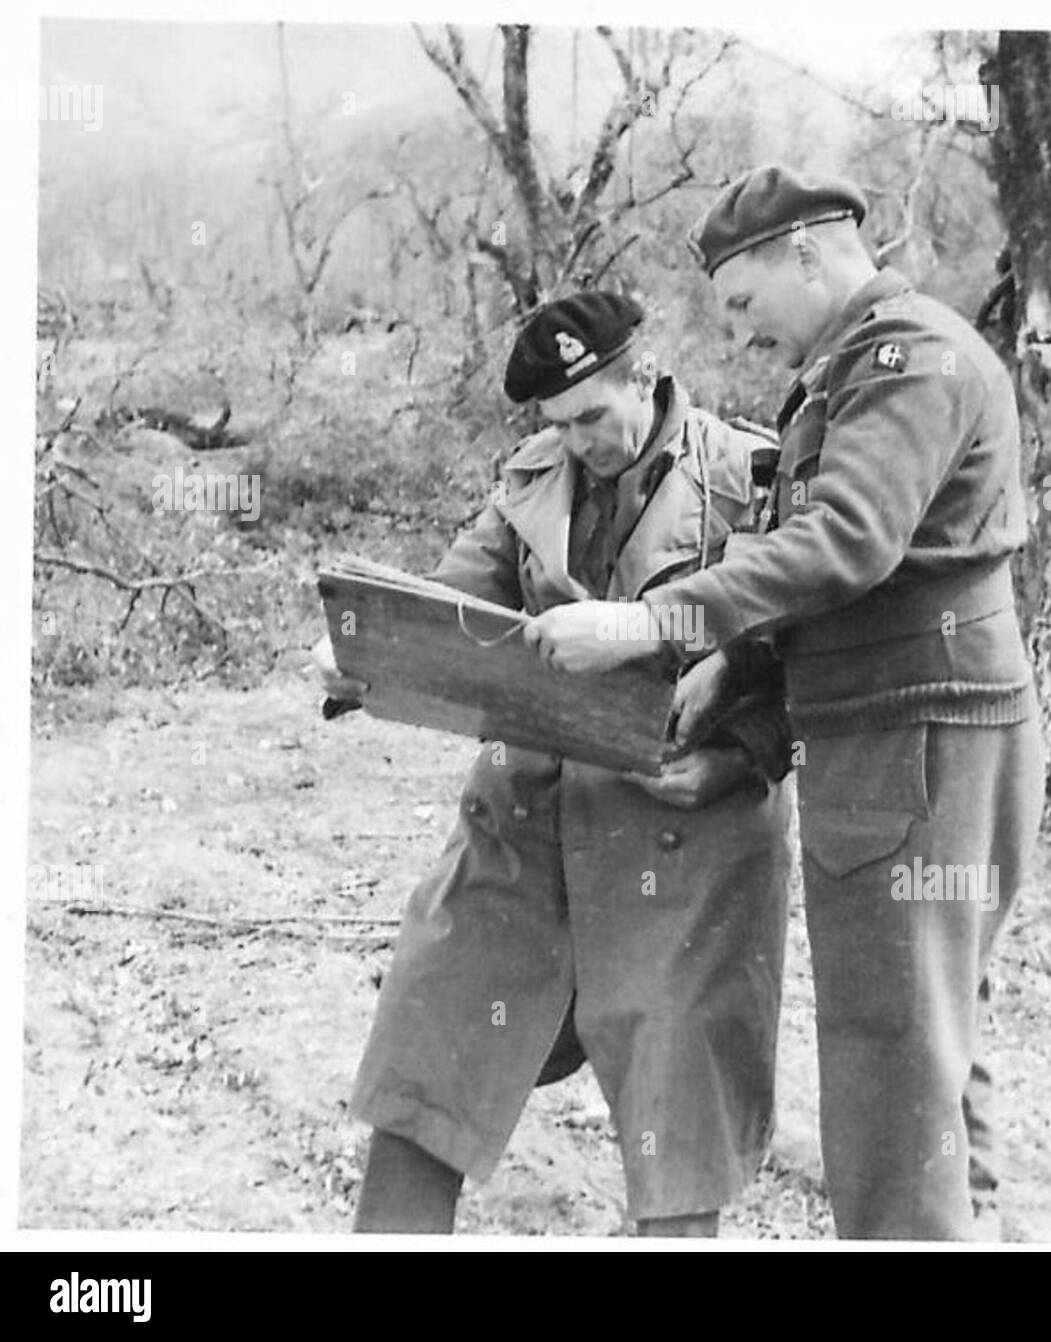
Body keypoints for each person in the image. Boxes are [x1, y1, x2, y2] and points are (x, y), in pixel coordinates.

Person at [528, 165, 1045, 1240]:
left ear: (804, 252)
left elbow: (845, 542)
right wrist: (744, 672)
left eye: (743, 302)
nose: (742, 334)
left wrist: (651, 623)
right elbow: (854, 577)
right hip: (904, 732)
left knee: (889, 1051)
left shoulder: (907, 361)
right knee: (930, 1041)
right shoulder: (851, 371)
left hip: (916, 741)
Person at [314, 291, 795, 1237]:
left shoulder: (748, 478)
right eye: (556, 425)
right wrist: (363, 654)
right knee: (426, 1059)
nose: (576, 443)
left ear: (646, 380)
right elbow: (454, 606)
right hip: (525, 824)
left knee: (677, 1122)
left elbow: (807, 649)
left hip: (683, 842)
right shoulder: (531, 479)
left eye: (589, 417)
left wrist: (742, 752)